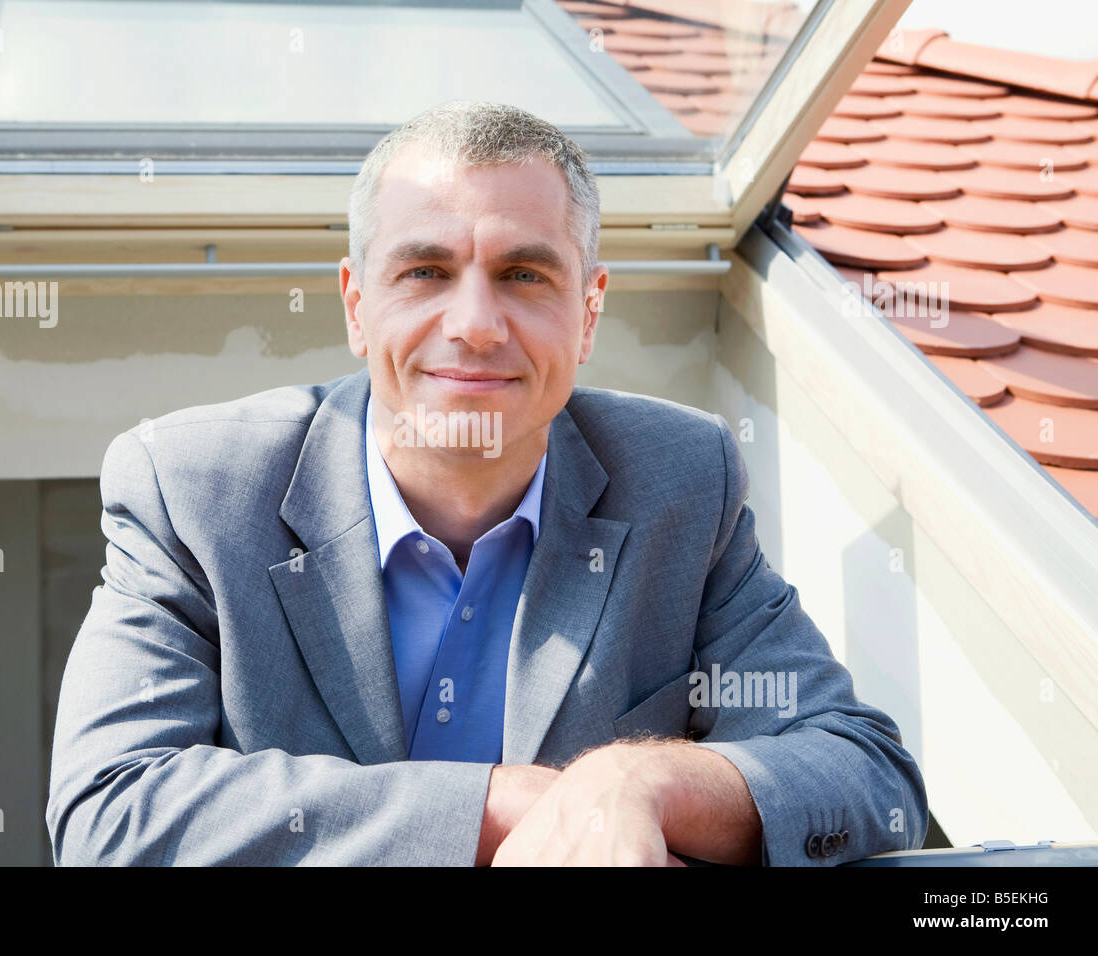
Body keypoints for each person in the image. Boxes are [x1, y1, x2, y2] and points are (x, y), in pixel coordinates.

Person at [46, 100, 928, 866]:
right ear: (356, 305)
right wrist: (504, 805)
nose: (472, 326)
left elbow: (864, 773)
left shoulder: (681, 481)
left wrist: (639, 779)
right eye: (425, 271)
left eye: (524, 275)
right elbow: (108, 812)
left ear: (588, 313)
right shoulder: (195, 490)